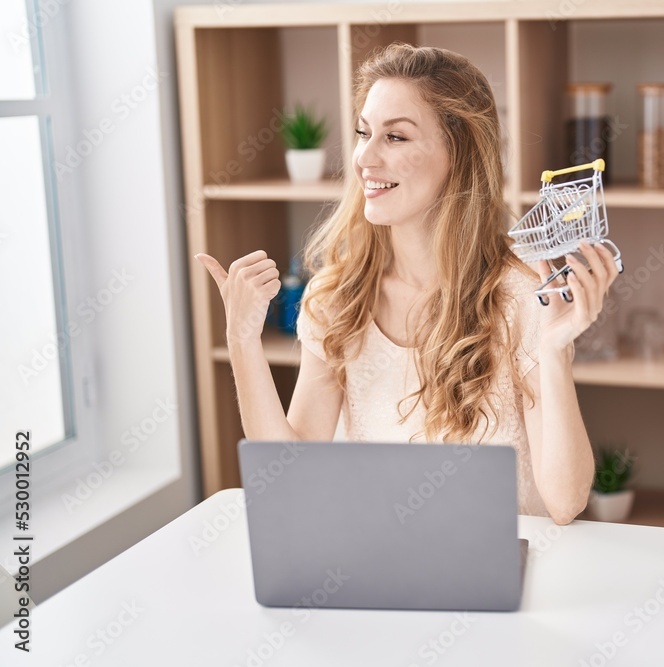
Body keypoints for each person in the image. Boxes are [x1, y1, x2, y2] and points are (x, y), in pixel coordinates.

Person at [195, 44, 619, 525]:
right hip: (384, 564)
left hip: (505, 569)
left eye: (395, 137)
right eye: (363, 133)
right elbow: (292, 477)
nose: (364, 159)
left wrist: (556, 348)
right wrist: (242, 340)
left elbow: (565, 503)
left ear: (456, 153)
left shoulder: (520, 292)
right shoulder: (337, 297)